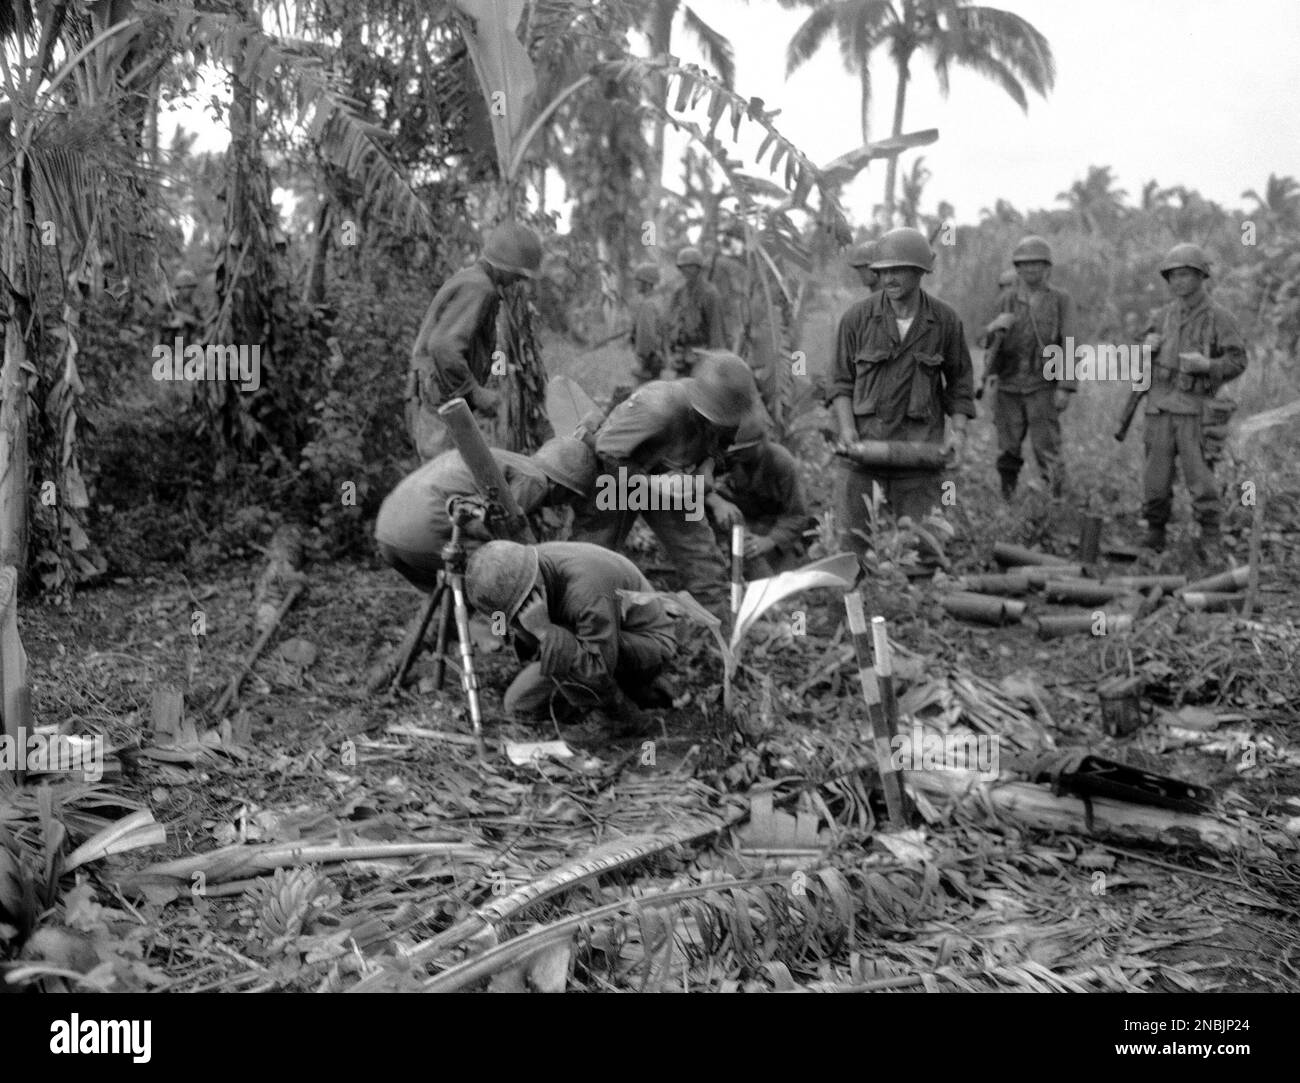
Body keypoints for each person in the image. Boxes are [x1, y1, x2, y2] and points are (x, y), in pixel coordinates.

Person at [573, 351, 759, 613]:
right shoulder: (658, 406)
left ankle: (715, 638)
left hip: (675, 483)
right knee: (590, 559)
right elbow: (607, 452)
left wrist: (706, 469)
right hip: (619, 477)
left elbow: (723, 443)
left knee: (704, 564)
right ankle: (577, 624)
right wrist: (653, 485)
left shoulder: (730, 407)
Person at [828, 227, 975, 557]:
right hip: (865, 453)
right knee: (852, 549)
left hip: (919, 454)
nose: (890, 278)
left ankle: (912, 607)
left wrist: (959, 433)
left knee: (922, 548)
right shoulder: (856, 319)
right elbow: (840, 382)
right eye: (884, 271)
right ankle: (850, 609)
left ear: (920, 271)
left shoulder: (945, 321)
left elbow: (960, 382)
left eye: (899, 270)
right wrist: (848, 430)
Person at [465, 540, 677, 726]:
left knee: (562, 652)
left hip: (645, 641)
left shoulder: (586, 590)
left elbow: (598, 668)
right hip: (590, 637)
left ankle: (618, 719)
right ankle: (636, 691)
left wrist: (545, 631)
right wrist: (531, 630)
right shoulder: (523, 566)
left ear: (536, 590)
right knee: (520, 705)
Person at [375, 437, 596, 591]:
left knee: (447, 594)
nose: (565, 504)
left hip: (387, 532)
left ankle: (413, 653)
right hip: (425, 534)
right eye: (569, 497)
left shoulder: (508, 461)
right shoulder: (535, 480)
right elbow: (498, 527)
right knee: (507, 579)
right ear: (561, 486)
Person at [1138, 243, 1247, 555]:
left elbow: (1238, 361)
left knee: (1200, 478)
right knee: (1155, 478)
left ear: (1201, 277)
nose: (1178, 282)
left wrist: (1208, 366)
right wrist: (1146, 349)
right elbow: (1140, 366)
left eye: (1185, 275)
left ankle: (1210, 535)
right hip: (1160, 407)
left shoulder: (1219, 317)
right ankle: (1155, 531)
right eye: (1173, 276)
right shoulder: (1160, 317)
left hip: (1196, 409)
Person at [406, 221, 543, 461]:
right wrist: (474, 391)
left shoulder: (471, 278)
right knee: (442, 477)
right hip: (441, 401)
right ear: (505, 266)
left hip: (439, 396)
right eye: (518, 274)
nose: (518, 281)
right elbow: (443, 347)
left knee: (446, 474)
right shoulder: (480, 287)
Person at [980, 235, 1077, 499]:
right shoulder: (1006, 300)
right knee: (1007, 447)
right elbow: (986, 342)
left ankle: (1056, 499)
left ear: (1047, 268)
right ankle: (1007, 495)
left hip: (1042, 385)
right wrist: (993, 329)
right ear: (1017, 268)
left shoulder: (1060, 300)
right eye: (1024, 265)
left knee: (1047, 447)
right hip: (1009, 384)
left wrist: (1065, 387)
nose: (1030, 270)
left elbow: (1069, 342)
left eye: (1036, 264)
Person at [710, 412, 811, 578]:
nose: (733, 455)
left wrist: (769, 541)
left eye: (741, 451)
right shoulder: (730, 458)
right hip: (738, 520)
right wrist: (716, 502)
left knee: (781, 587)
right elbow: (694, 480)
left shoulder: (781, 462)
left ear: (759, 444)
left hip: (774, 529)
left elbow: (797, 515)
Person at [666, 246, 725, 375]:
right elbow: (671, 324)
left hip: (703, 358)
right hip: (681, 357)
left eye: (689, 267)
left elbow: (716, 331)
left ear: (698, 268)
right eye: (682, 267)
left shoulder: (710, 294)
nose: (685, 271)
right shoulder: (679, 293)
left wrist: (715, 362)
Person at [629, 262, 666, 385]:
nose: (635, 284)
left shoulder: (648, 305)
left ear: (647, 283)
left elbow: (647, 336)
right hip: (657, 360)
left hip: (649, 363)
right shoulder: (658, 300)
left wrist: (644, 359)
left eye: (638, 281)